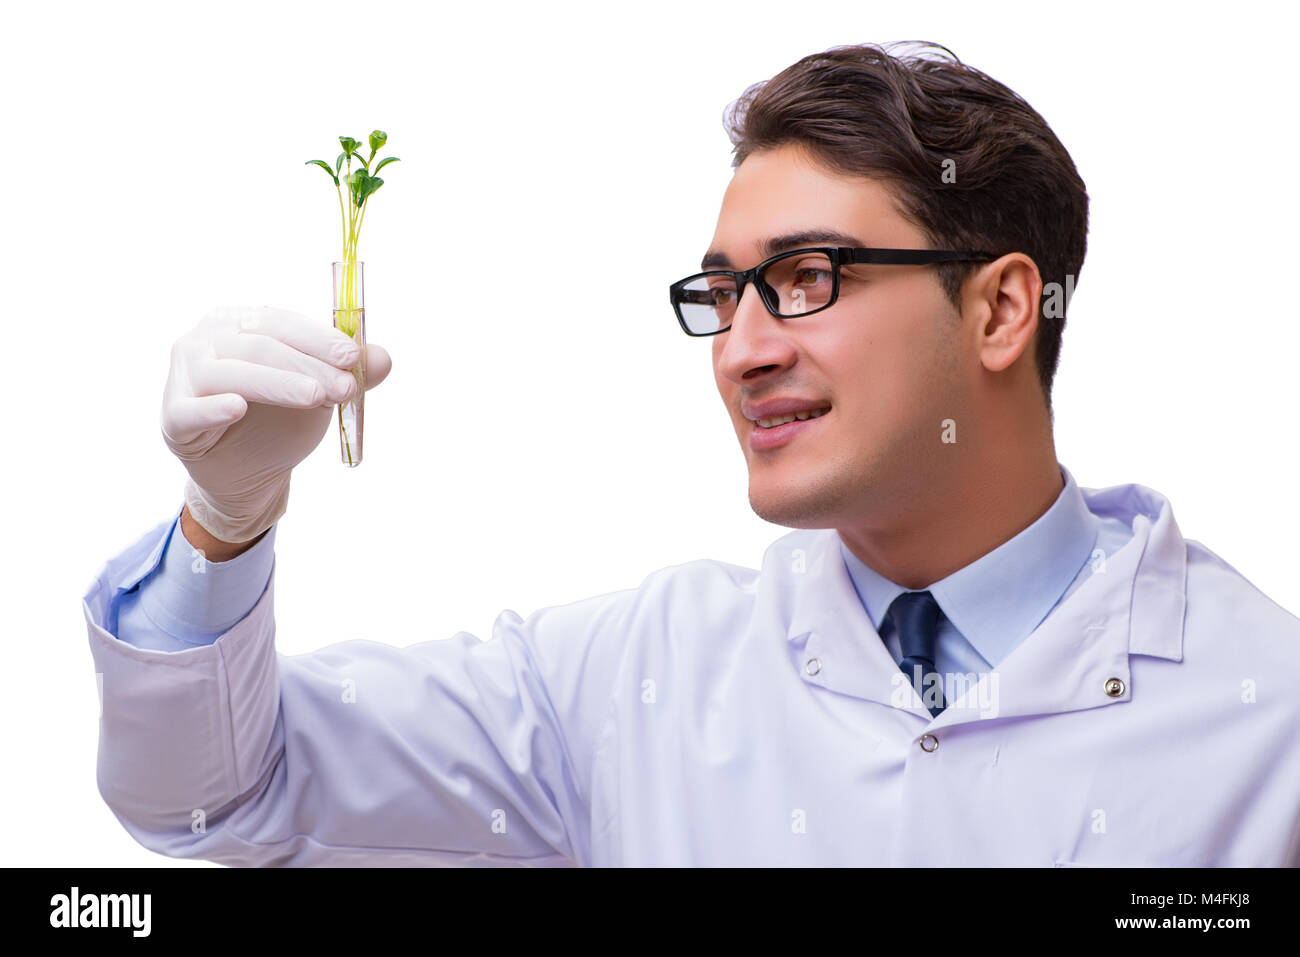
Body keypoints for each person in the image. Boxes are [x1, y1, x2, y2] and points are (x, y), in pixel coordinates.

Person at [82, 41, 1300, 867]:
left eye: (807, 279)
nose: (740, 353)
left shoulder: (1267, 721)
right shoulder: (625, 681)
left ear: (998, 311)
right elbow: (217, 798)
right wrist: (221, 523)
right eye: (722, 296)